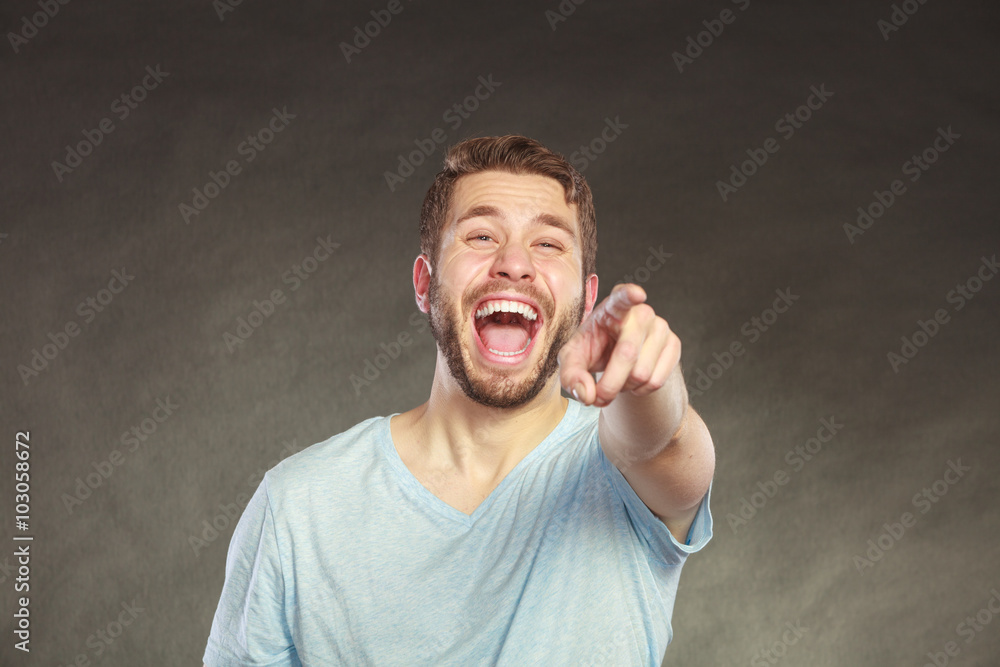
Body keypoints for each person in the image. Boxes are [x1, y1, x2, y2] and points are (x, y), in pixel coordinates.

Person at [202, 135, 715, 666]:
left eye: (548, 244)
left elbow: (664, 443)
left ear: (586, 301)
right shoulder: (299, 505)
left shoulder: (622, 477)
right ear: (425, 284)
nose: (514, 263)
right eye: (481, 236)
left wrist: (649, 381)